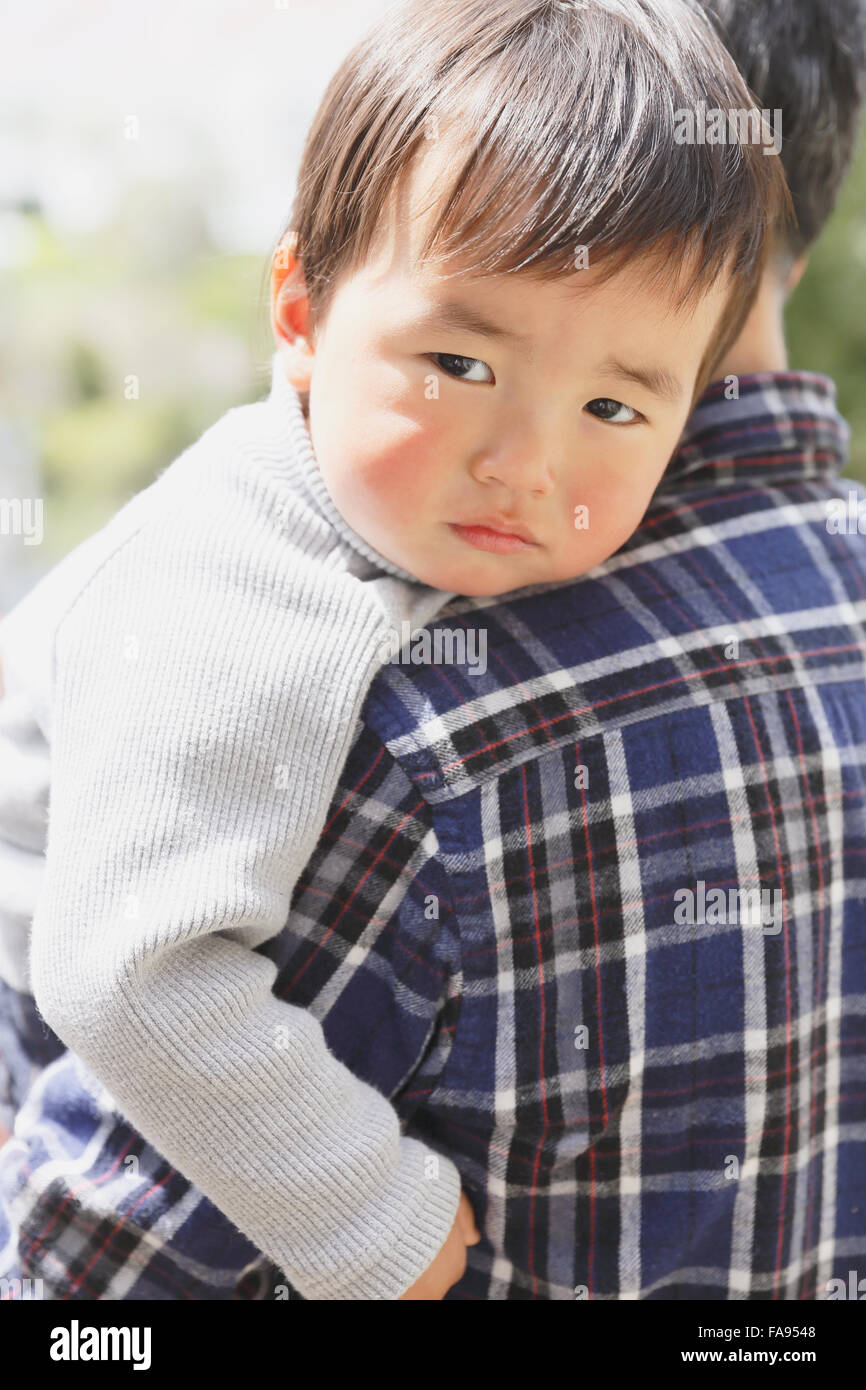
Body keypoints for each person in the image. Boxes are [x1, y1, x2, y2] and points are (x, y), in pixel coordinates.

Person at [0, 0, 859, 1302]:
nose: (525, 465)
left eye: (613, 405)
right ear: (296, 304)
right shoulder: (234, 601)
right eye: (457, 360)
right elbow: (130, 973)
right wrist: (373, 1220)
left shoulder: (438, 703)